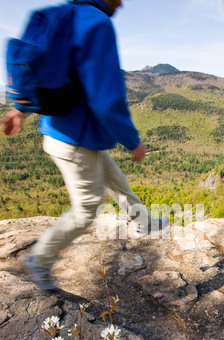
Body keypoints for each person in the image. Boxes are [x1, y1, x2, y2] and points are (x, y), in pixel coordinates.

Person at [0, 0, 169, 292]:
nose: (122, 2)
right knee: (88, 207)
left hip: (67, 133)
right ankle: (40, 260)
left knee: (116, 180)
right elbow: (106, 99)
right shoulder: (97, 23)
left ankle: (145, 221)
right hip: (76, 139)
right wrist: (133, 142)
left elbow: (41, 68)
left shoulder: (64, 15)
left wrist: (20, 108)